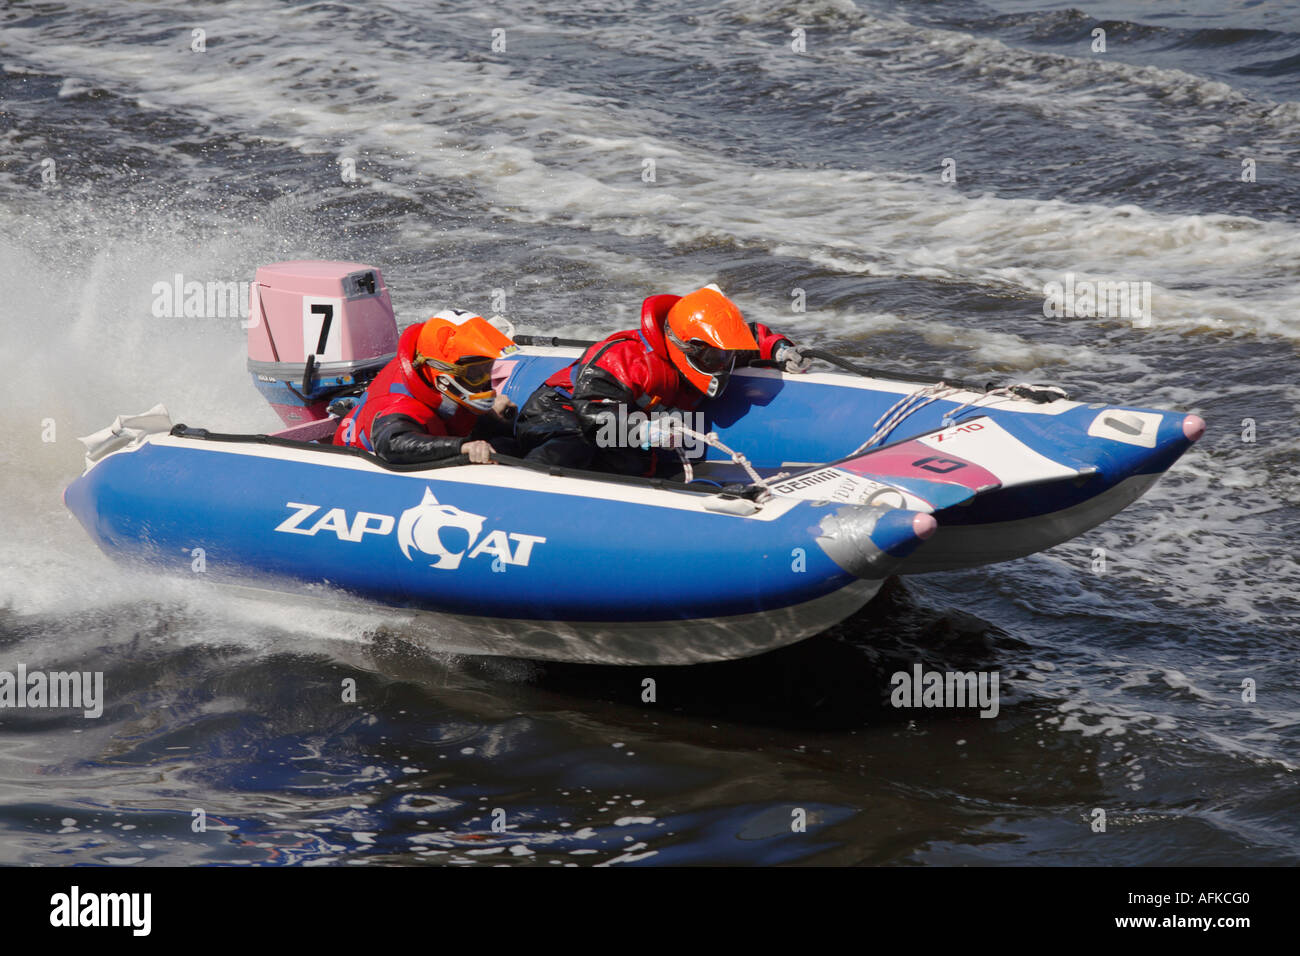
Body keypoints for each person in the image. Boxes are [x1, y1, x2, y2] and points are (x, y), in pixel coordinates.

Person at [514, 286, 809, 475]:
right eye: (716, 359)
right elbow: (595, 416)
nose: (723, 366)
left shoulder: (713, 351)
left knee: (633, 465)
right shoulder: (627, 357)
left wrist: (779, 349)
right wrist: (641, 432)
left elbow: (750, 337)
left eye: (727, 357)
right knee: (577, 448)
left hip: (630, 422)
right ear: (686, 347)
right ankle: (519, 482)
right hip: (559, 413)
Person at [333, 309, 519, 464]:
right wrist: (462, 448)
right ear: (443, 376)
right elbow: (392, 443)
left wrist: (488, 414)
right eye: (475, 373)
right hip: (364, 468)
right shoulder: (397, 403)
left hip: (435, 428)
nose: (483, 380)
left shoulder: (427, 366)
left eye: (487, 369)